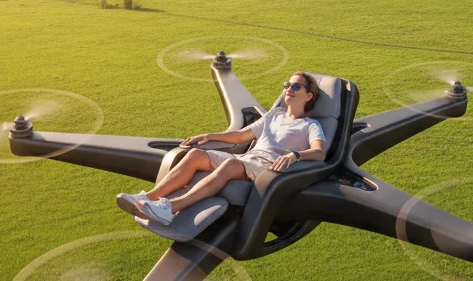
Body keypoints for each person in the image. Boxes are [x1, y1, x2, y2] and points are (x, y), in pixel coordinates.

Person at [117, 72, 327, 225]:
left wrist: (296, 154)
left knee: (230, 164)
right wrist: (210, 135)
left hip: (267, 170)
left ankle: (171, 208)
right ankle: (149, 198)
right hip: (248, 160)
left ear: (308, 96)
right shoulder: (275, 115)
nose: (288, 89)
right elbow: (242, 135)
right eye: (287, 84)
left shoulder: (309, 125)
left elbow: (320, 152)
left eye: (296, 86)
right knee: (196, 155)